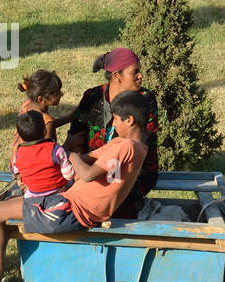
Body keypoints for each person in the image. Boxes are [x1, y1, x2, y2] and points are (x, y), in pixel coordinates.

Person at [0, 91, 151, 282]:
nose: (113, 125)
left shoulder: (126, 146)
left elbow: (87, 173)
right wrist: (64, 157)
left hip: (70, 209)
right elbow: (87, 158)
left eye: (115, 120)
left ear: (130, 120)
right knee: (1, 210)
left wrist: (68, 156)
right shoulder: (125, 145)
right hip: (70, 203)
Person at [64, 47, 158, 218]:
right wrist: (77, 170)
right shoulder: (92, 97)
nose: (140, 76)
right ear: (117, 76)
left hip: (129, 175)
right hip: (91, 171)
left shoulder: (144, 100)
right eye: (135, 72)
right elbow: (75, 136)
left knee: (102, 206)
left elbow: (142, 145)